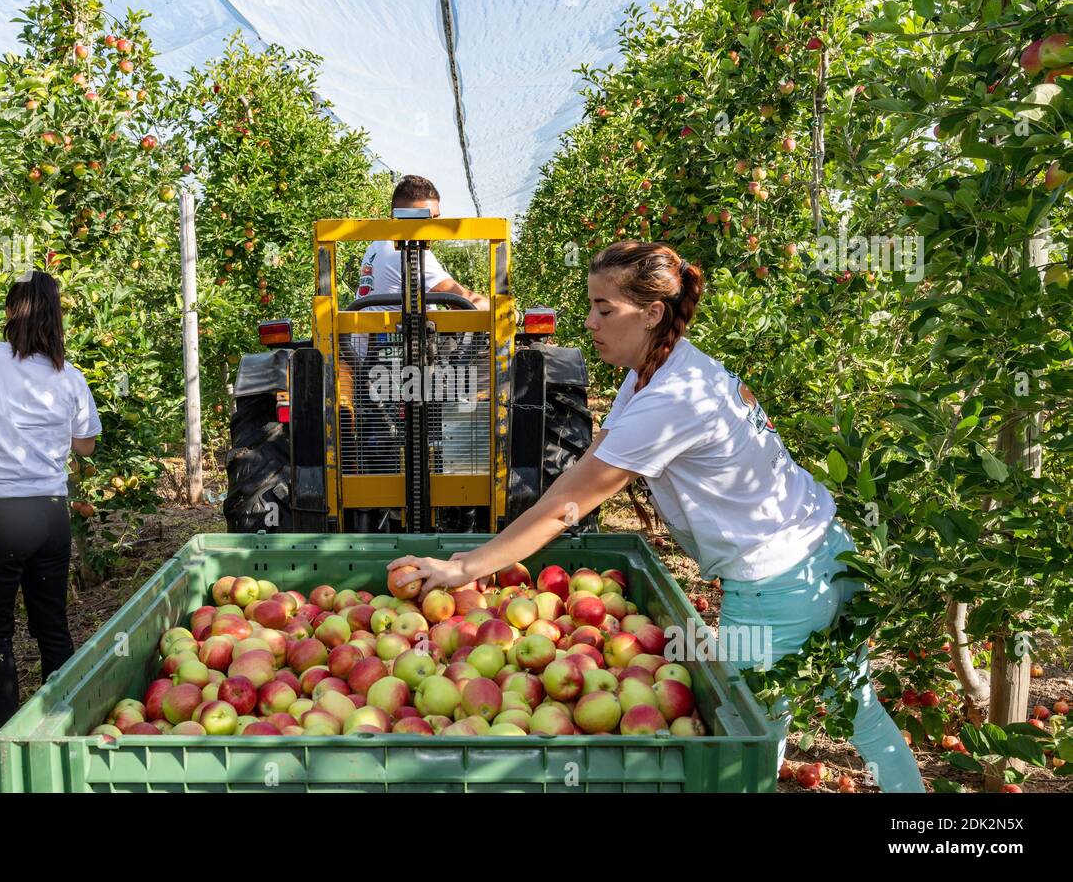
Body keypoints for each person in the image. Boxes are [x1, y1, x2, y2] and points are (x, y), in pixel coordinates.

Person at [388, 241, 924, 793]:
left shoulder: (672, 398)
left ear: (651, 313)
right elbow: (596, 459)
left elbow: (569, 506)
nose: (591, 322)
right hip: (827, 551)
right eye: (590, 305)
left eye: (605, 309)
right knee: (853, 707)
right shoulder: (658, 372)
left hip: (776, 582)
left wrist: (465, 567)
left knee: (741, 742)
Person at [0, 269, 101, 788]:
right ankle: (66, 739)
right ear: (56, 317)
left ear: (10, 313)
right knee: (52, 627)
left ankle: (5, 752)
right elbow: (86, 446)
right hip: (50, 514)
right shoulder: (67, 375)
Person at [356, 174, 489, 312]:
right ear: (402, 215)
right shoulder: (406, 250)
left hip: (380, 330)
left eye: (437, 217)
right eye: (426, 218)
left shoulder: (378, 244)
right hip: (401, 332)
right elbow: (463, 301)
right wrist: (505, 311)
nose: (436, 225)